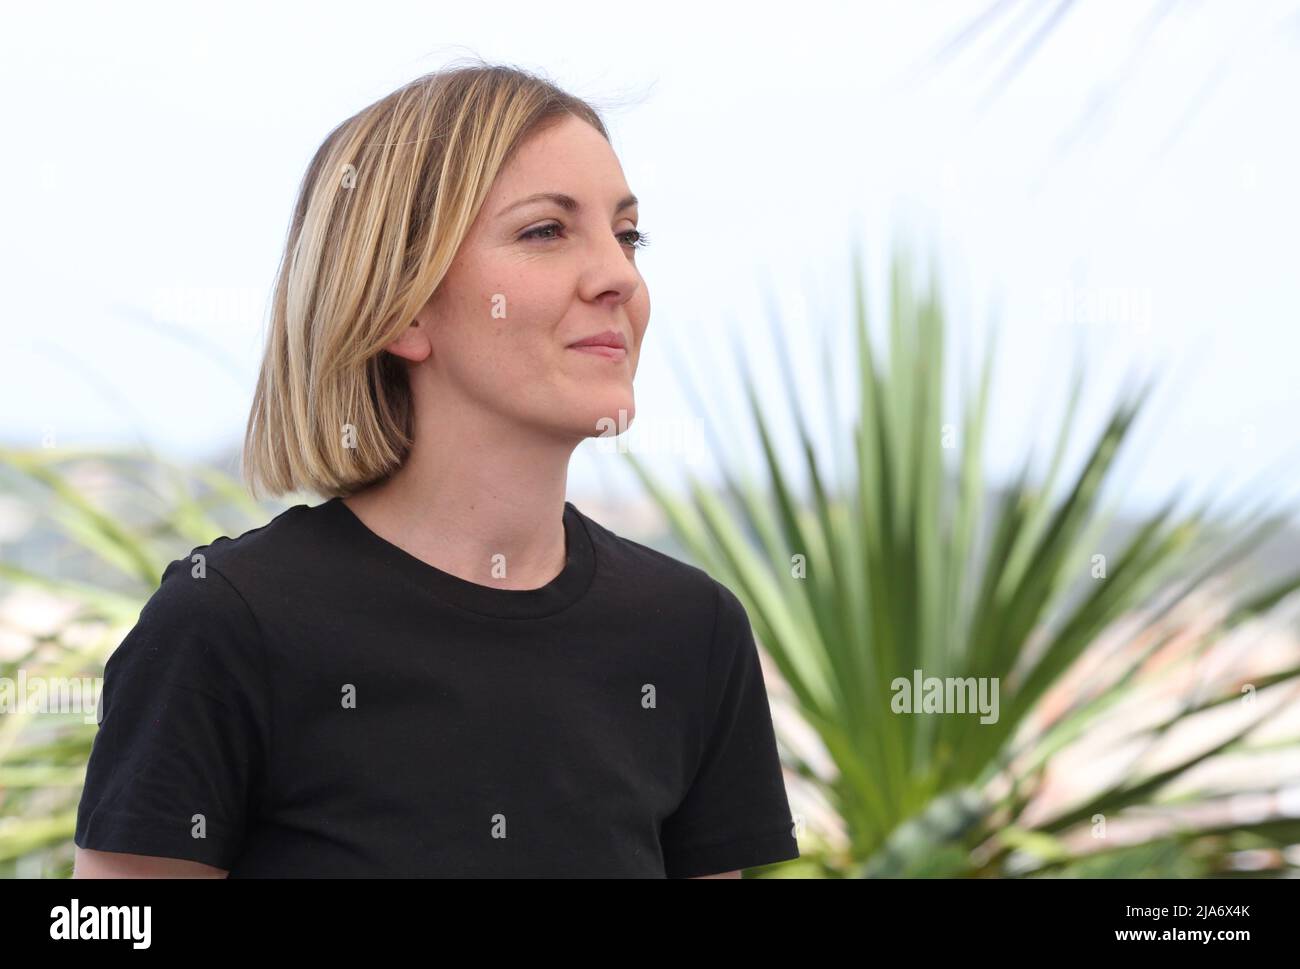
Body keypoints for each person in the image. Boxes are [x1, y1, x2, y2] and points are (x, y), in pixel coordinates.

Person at [73, 61, 799, 878]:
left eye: (627, 235)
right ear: (403, 306)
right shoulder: (225, 628)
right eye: (545, 231)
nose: (620, 276)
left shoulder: (691, 634)